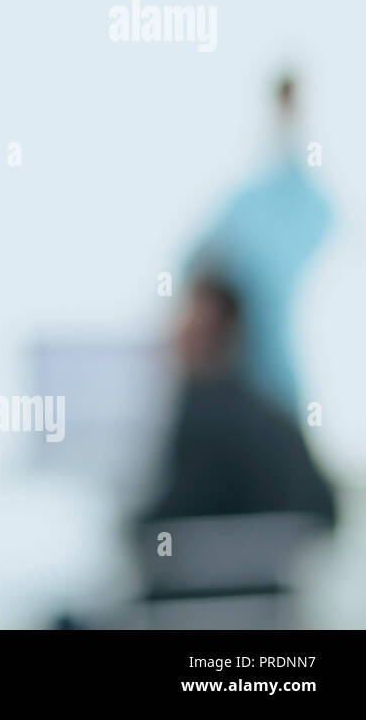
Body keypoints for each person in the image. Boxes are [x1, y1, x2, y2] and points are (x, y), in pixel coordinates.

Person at [184, 75, 333, 421]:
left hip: (273, 390)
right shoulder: (245, 205)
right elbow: (196, 261)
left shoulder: (305, 202)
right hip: (241, 388)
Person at [140, 274, 336, 526]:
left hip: (224, 558)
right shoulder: (267, 408)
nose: (178, 337)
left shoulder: (206, 410)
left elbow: (186, 505)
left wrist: (127, 528)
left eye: (193, 328)